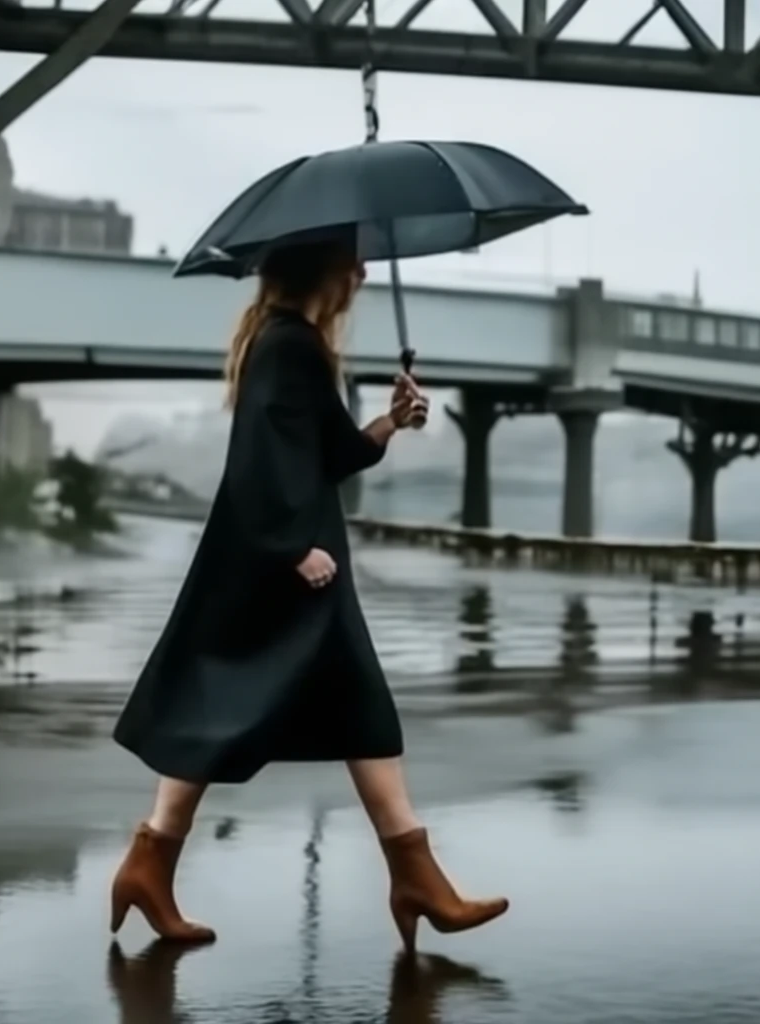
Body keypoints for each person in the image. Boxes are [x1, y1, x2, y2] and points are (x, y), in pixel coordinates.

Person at [109, 236, 508, 953]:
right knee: (304, 704)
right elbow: (259, 460)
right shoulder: (290, 345)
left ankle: (151, 862)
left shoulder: (291, 343)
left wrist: (392, 420)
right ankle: (417, 880)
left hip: (287, 556)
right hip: (295, 561)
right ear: (320, 269)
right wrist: (293, 547)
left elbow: (329, 453)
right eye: (350, 260)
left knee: (255, 703)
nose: (360, 272)